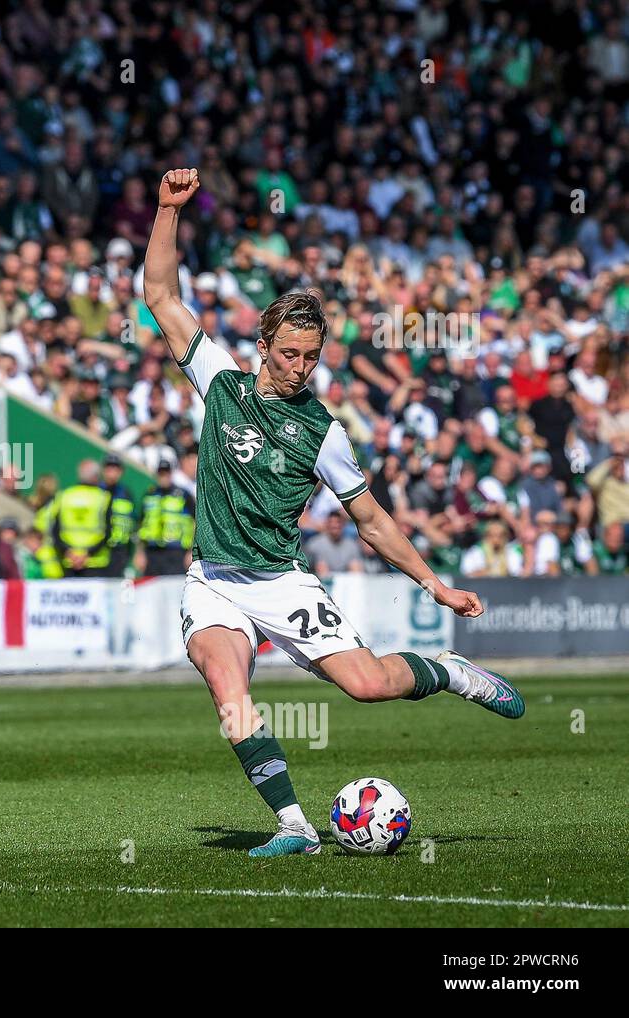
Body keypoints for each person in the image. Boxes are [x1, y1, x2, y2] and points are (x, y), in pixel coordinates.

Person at [144, 168, 523, 859]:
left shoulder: (324, 432)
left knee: (369, 685)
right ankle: (295, 827)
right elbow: (161, 294)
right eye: (289, 354)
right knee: (229, 693)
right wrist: (168, 211)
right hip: (215, 580)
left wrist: (434, 585)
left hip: (281, 583)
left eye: (311, 357)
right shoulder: (220, 382)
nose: (299, 368)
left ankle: (449, 671)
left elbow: (372, 522)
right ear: (262, 346)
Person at [48, 459, 113, 576]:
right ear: (96, 476)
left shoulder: (64, 495)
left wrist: (68, 552)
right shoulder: (104, 497)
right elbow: (109, 532)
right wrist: (87, 554)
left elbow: (54, 530)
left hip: (69, 562)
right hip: (95, 563)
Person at [137, 461, 195, 576]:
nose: (164, 477)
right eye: (161, 474)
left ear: (171, 474)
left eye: (166, 473)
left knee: (174, 589)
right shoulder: (150, 494)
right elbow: (141, 525)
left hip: (176, 552)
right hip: (152, 551)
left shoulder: (183, 495)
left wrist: (191, 551)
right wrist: (140, 553)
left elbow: (196, 522)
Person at [101, 453, 138, 576]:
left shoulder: (126, 494)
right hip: (99, 551)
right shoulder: (96, 491)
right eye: (109, 468)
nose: (112, 472)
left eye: (116, 468)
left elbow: (134, 524)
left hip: (119, 551)